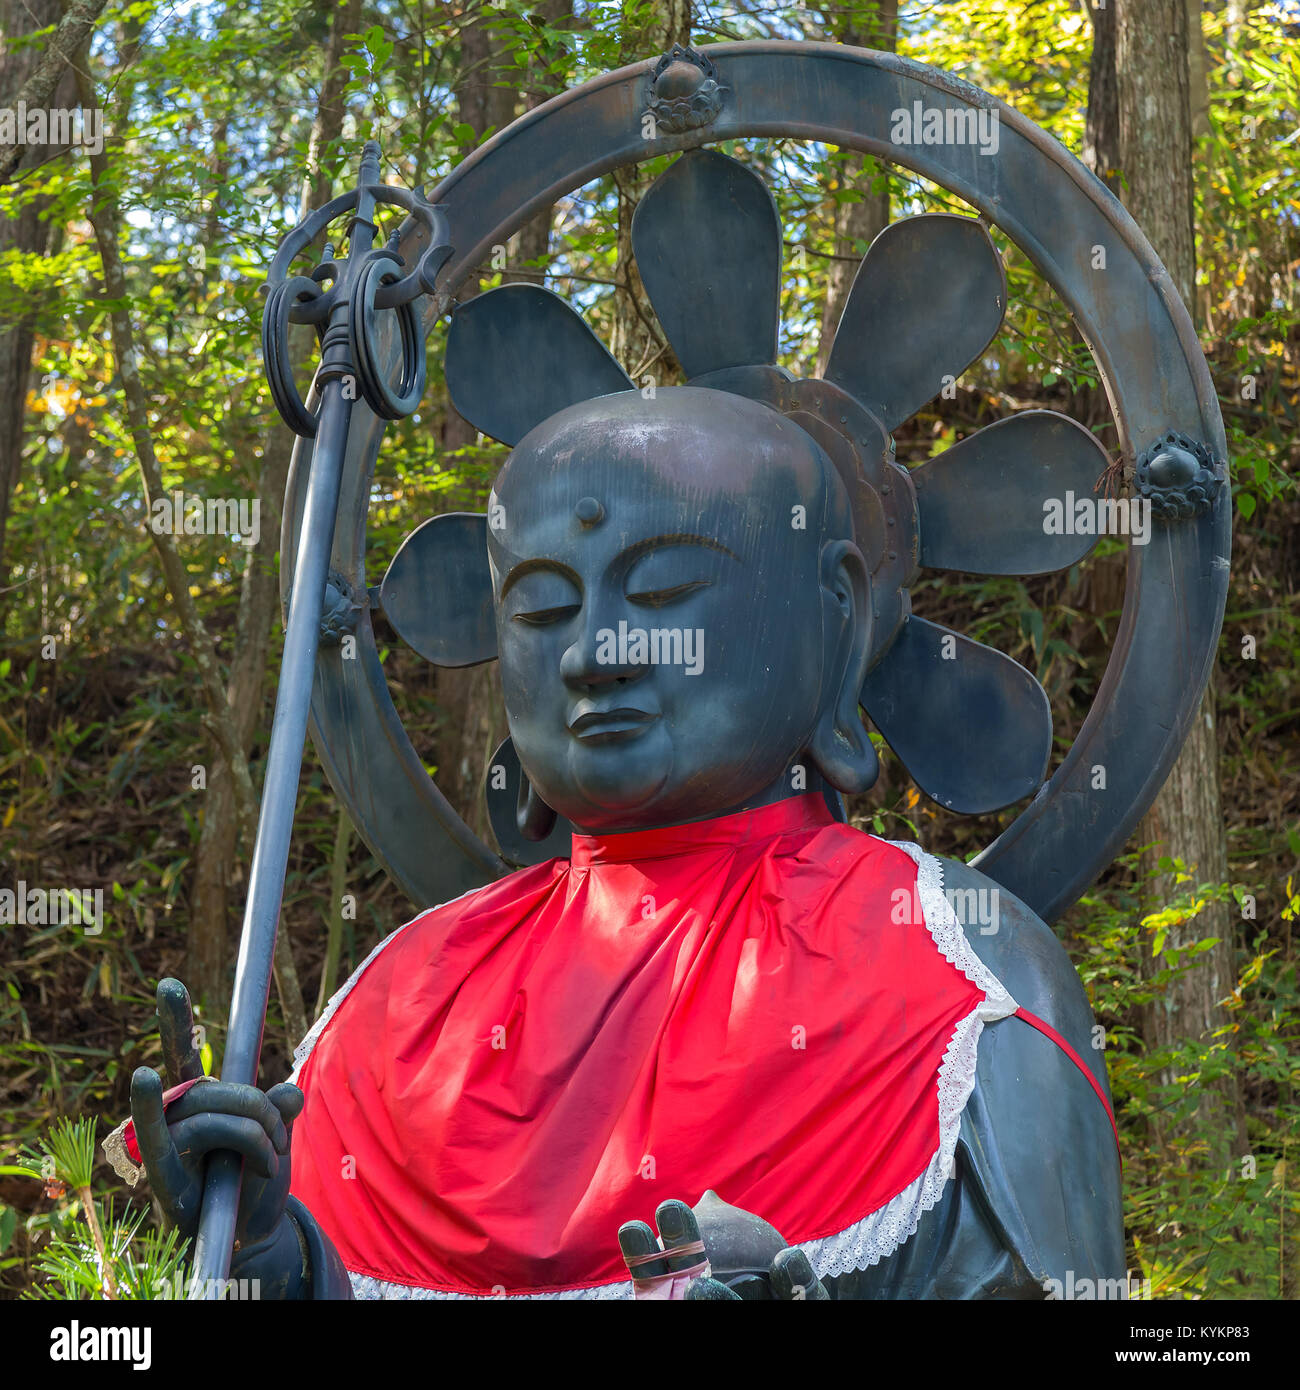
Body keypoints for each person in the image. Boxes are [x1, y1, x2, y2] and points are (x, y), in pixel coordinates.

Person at [113, 387, 1123, 1299]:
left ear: (834, 615)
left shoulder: (952, 969)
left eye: (666, 588)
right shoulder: (403, 1005)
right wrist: (261, 1257)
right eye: (545, 607)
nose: (596, 653)